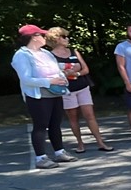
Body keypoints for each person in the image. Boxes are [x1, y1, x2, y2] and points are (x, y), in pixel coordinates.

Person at [11, 24, 80, 170]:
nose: (44, 37)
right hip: (38, 95)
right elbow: (26, 79)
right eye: (41, 35)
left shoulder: (46, 53)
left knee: (56, 123)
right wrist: (49, 81)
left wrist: (62, 78)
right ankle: (40, 157)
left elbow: (57, 70)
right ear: (33, 37)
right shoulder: (22, 55)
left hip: (55, 92)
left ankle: (59, 152)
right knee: (41, 125)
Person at [46, 27, 113, 152]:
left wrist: (75, 73)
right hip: (66, 90)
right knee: (73, 117)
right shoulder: (49, 56)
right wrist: (68, 72)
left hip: (82, 86)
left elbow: (86, 70)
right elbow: (51, 74)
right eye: (64, 37)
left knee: (90, 115)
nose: (67, 39)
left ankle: (101, 143)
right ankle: (80, 144)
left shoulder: (74, 51)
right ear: (56, 39)